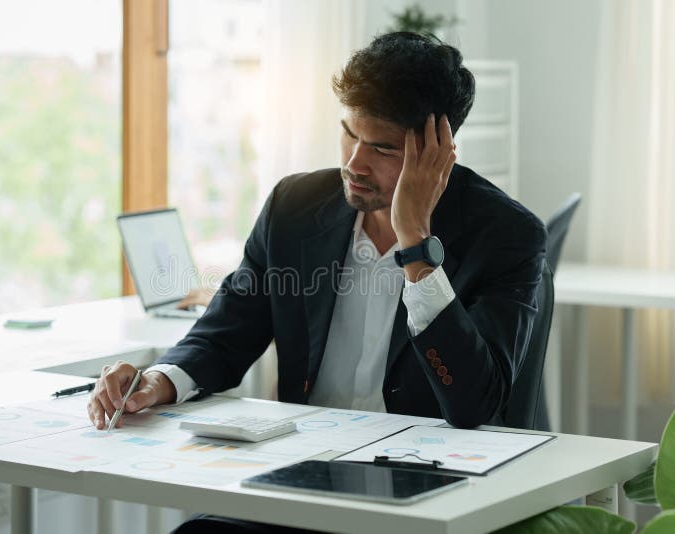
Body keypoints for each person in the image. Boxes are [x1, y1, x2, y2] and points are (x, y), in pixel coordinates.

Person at [88, 31, 546, 531]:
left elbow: (473, 404)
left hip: (431, 492)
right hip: (308, 479)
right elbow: (226, 332)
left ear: (437, 150)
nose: (354, 163)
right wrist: (158, 381)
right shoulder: (295, 208)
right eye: (349, 133)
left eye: (382, 147)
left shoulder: (505, 235)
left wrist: (416, 245)